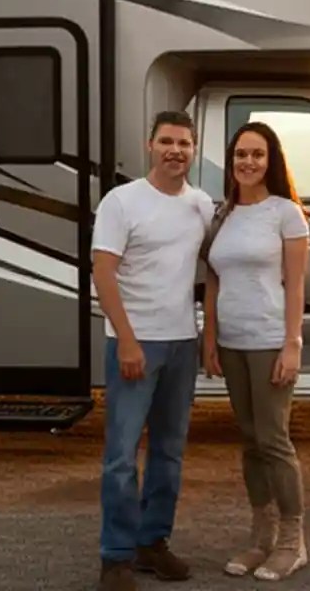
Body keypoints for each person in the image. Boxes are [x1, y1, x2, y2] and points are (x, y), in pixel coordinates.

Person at [91, 110, 215, 591]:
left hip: (182, 342)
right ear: (150, 146)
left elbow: (220, 262)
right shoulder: (121, 202)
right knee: (122, 454)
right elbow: (104, 272)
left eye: (184, 143)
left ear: (193, 149)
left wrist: (208, 333)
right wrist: (125, 337)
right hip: (134, 343)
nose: (175, 151)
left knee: (169, 450)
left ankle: (152, 543)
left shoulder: (200, 206)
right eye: (166, 141)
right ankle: (116, 556)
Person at [201, 121, 310, 582]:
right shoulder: (222, 214)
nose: (248, 162)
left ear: (271, 161)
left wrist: (292, 344)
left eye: (257, 154)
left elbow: (297, 283)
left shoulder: (286, 214)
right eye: (240, 154)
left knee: (273, 441)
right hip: (233, 343)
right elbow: (212, 277)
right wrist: (210, 338)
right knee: (249, 441)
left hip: (270, 341)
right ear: (231, 162)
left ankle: (292, 542)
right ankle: (260, 539)